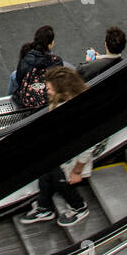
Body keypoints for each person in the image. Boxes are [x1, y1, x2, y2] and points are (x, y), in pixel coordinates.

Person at [18, 66, 94, 227]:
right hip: (60, 150)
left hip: (73, 157)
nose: (48, 90)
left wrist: (77, 171)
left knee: (60, 180)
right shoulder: (61, 101)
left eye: (50, 88)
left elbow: (87, 146)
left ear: (63, 90)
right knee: (45, 173)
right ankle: (44, 206)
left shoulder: (79, 114)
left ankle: (79, 207)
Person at [10, 25, 62, 109]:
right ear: (50, 44)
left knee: (13, 75)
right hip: (47, 102)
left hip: (25, 101)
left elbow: (19, 79)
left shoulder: (26, 56)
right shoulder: (56, 61)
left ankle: (11, 100)